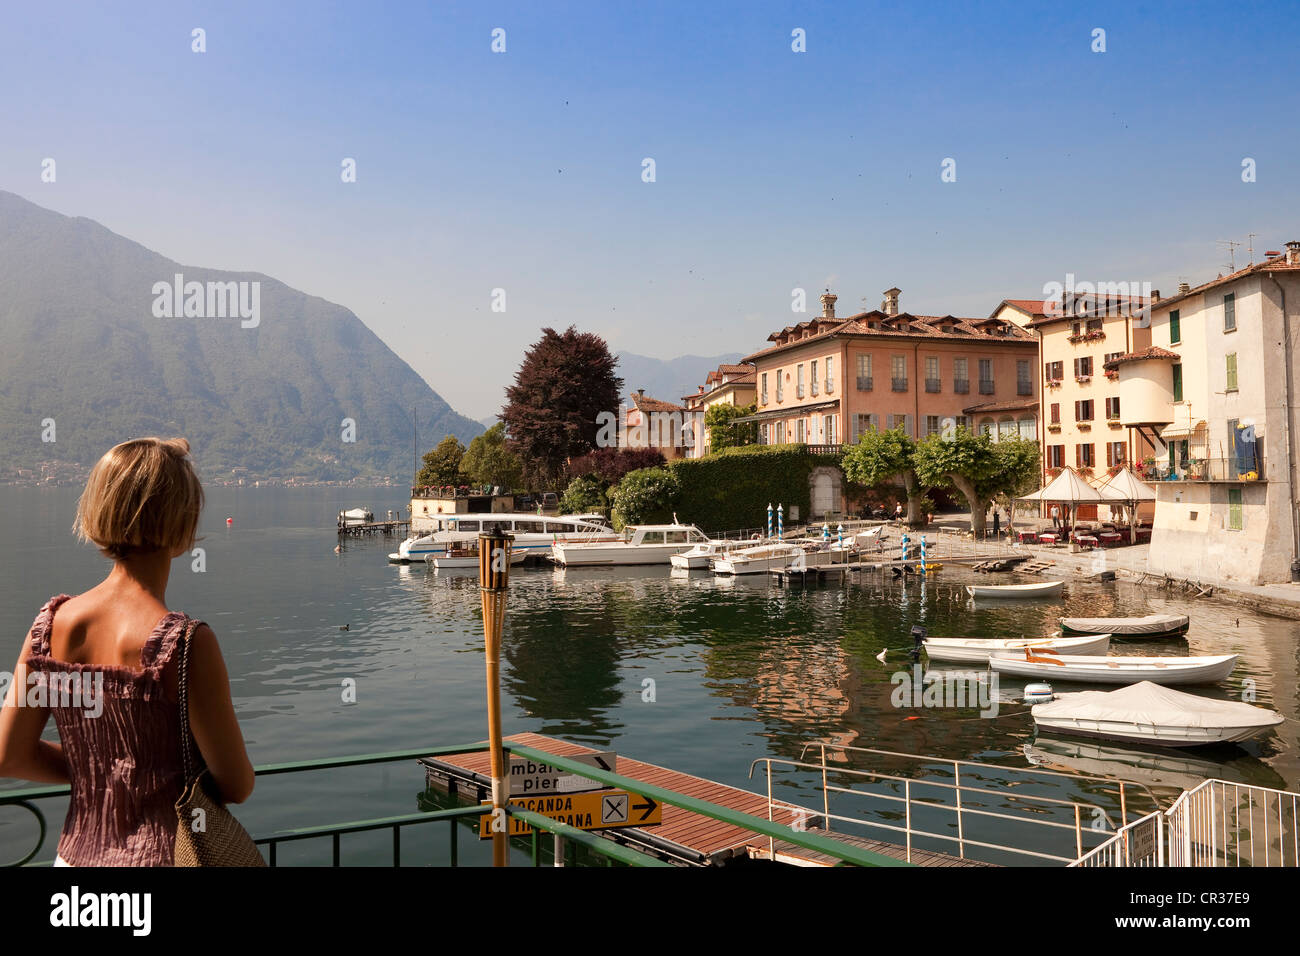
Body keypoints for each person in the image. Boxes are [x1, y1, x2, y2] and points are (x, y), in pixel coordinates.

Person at [0, 438, 254, 866]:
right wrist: (140, 769)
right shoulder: (187, 644)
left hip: (74, 863)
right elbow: (237, 785)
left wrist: (99, 765)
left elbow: (9, 755)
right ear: (184, 523)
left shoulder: (48, 627)